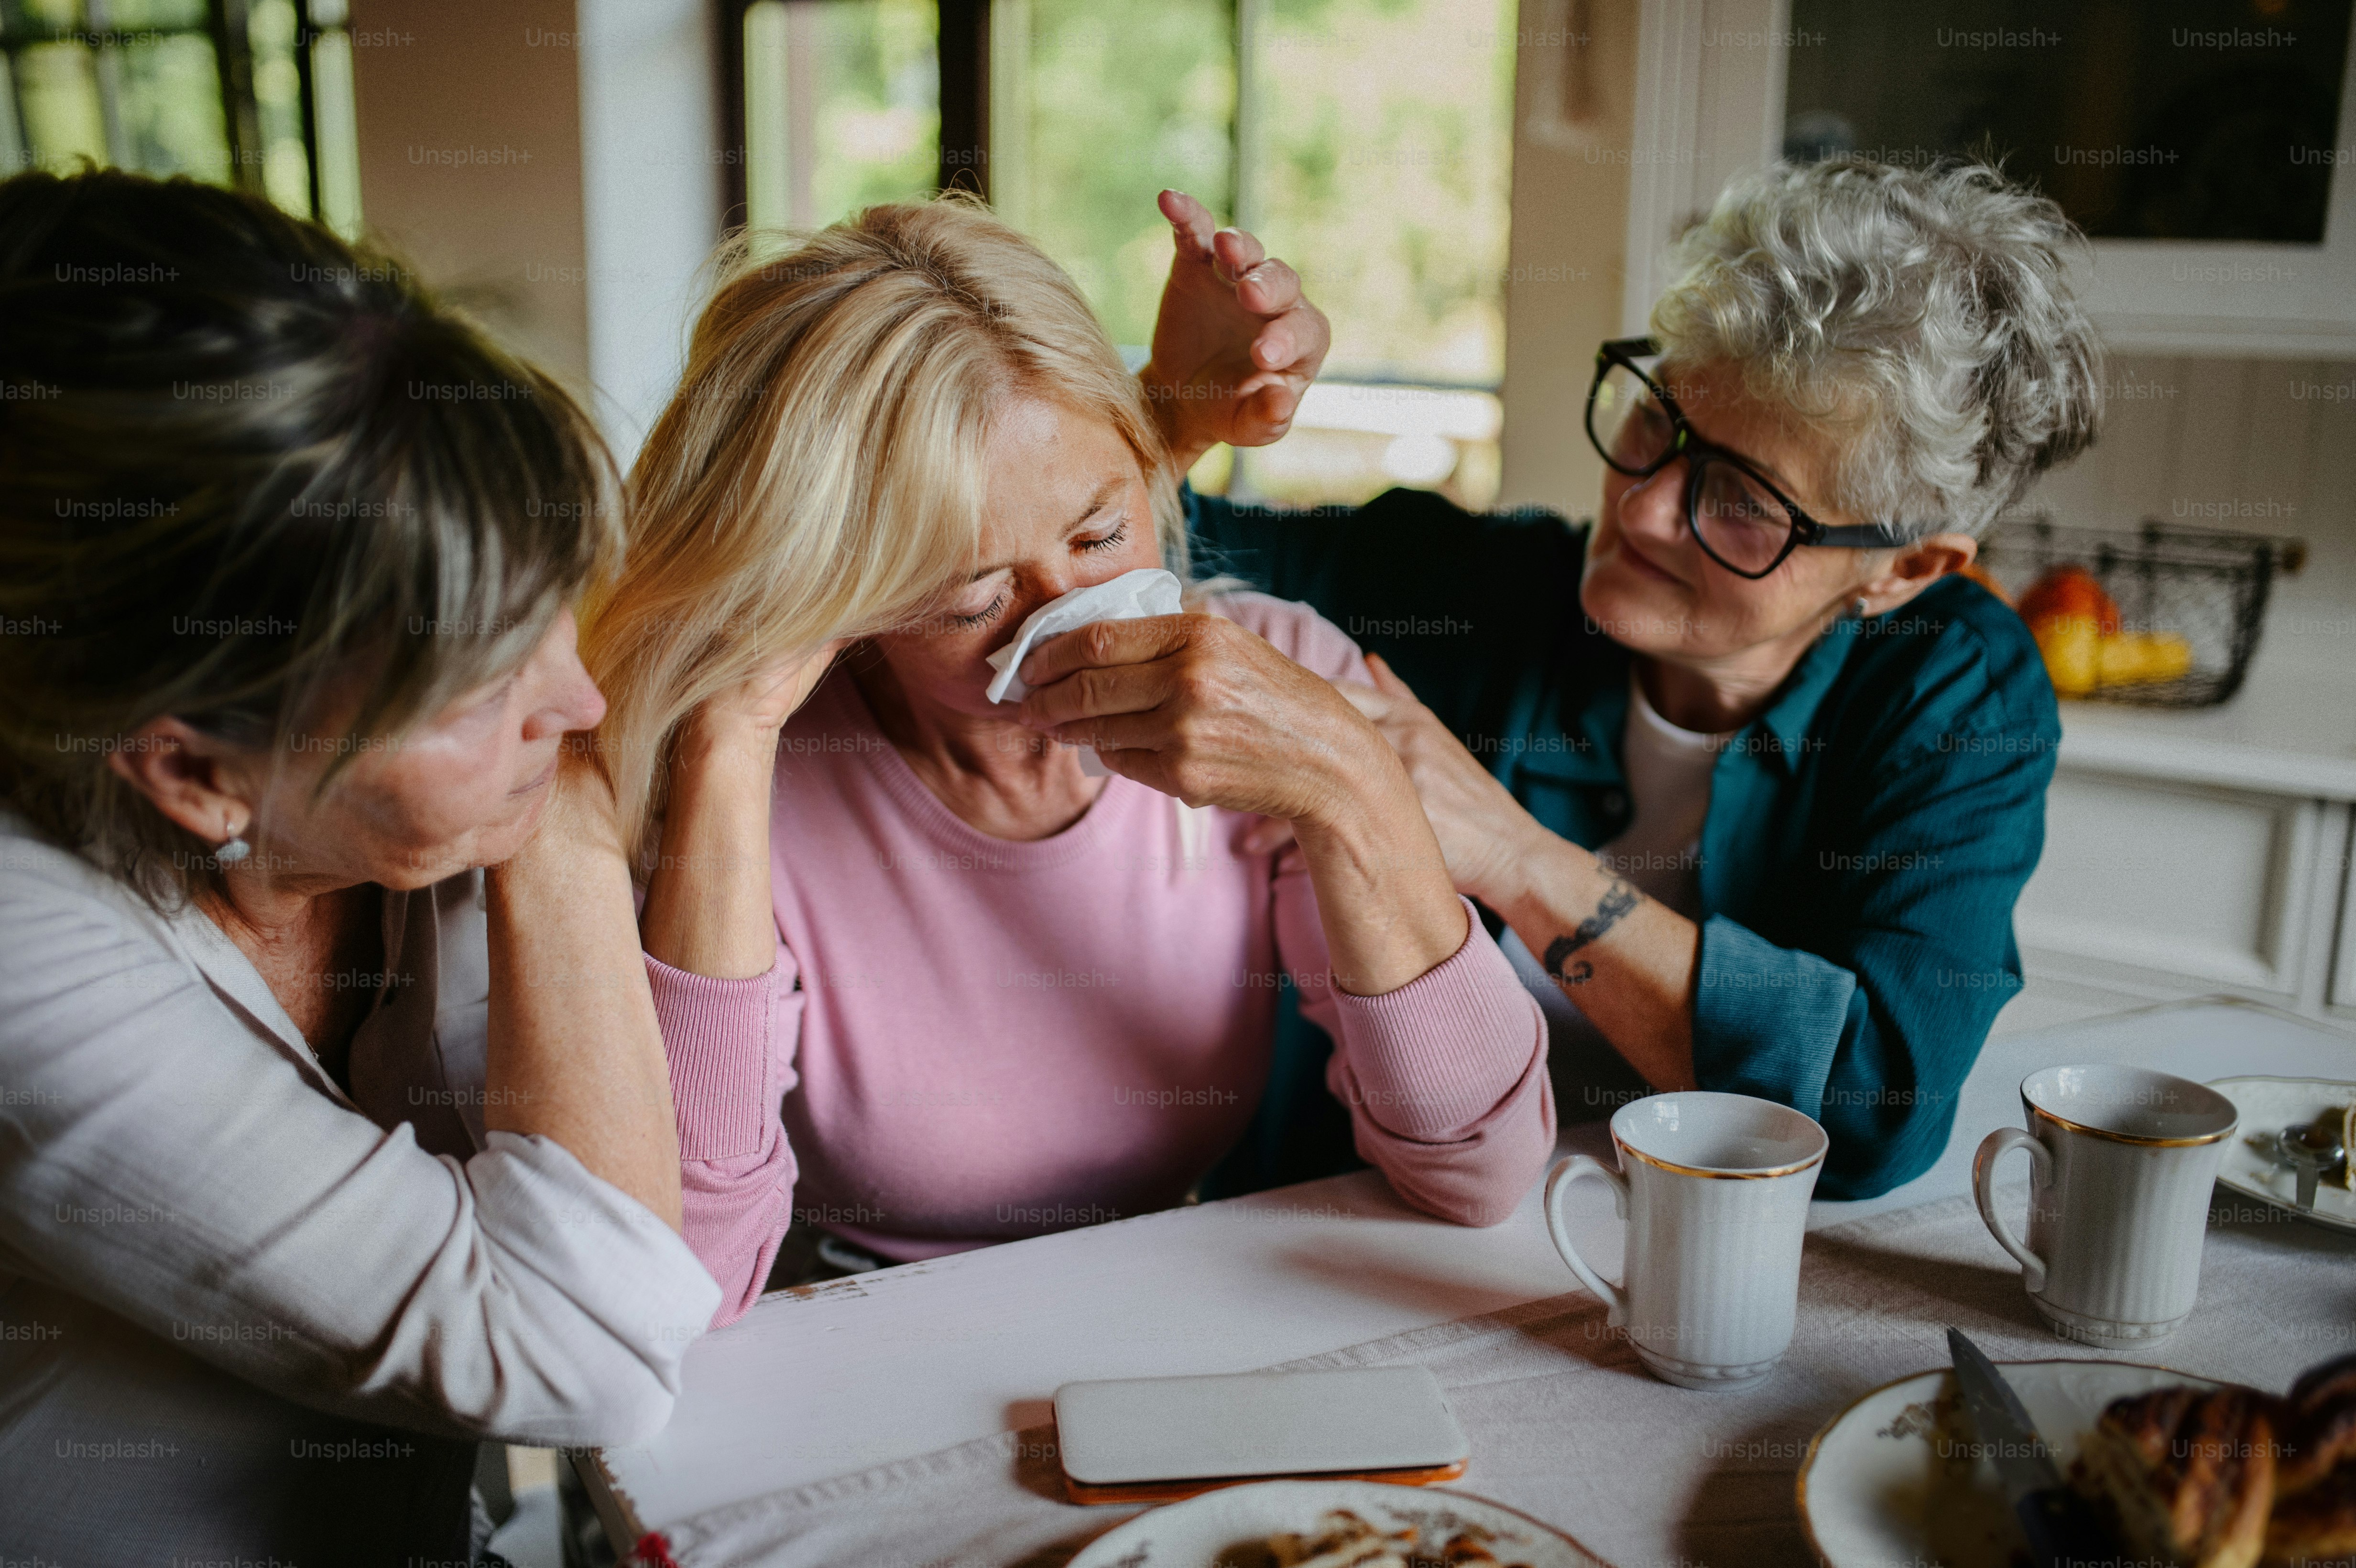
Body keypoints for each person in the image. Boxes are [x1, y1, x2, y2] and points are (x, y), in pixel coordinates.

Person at [581, 196, 1555, 1307]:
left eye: (1099, 535)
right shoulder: (746, 775)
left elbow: (1482, 1171)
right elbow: (677, 1280)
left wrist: (1350, 782)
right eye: (970, 598)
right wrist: (725, 729)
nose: (1069, 622)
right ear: (839, 599)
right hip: (844, 1339)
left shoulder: (1272, 674)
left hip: (1166, 1312)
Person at [0, 170, 720, 1560]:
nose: (579, 707)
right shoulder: (24, 947)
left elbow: (711, 1228)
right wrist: (566, 837)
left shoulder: (402, 797)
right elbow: (596, 1350)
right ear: (195, 768)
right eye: (483, 682)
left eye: (555, 606)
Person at [1192, 157, 2099, 1198]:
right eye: (1653, 421)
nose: (1642, 509)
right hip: (1344, 1224)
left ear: (1903, 568)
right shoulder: (1470, 590)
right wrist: (1170, 413)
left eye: (1746, 501)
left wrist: (1517, 856)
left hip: (1710, 1262)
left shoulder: (1957, 696)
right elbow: (1139, 548)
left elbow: (1873, 1105)